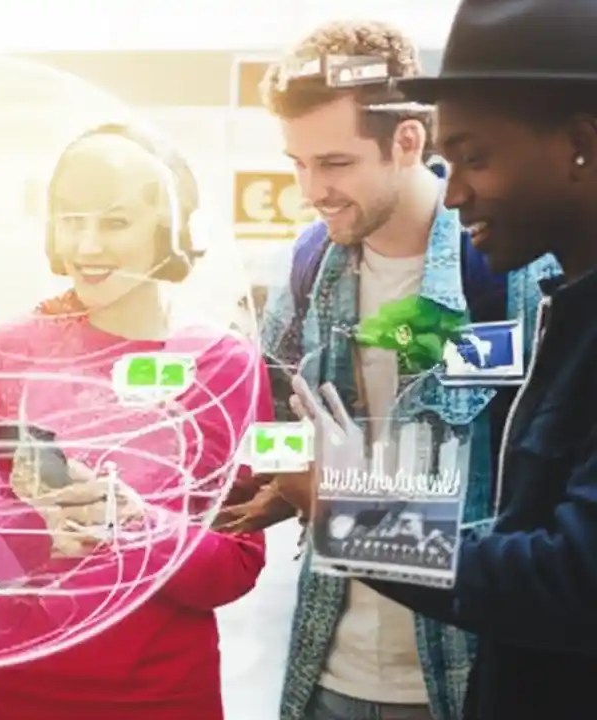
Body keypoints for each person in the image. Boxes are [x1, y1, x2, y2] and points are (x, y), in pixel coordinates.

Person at [212, 21, 561, 720]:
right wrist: (279, 488)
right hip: (330, 665)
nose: (312, 189)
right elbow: (280, 406)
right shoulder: (310, 266)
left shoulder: (512, 277)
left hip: (463, 671)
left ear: (408, 142)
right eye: (298, 163)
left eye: (335, 163)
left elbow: (547, 518)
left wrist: (333, 504)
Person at [0, 123, 271, 720]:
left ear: (167, 232)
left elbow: (237, 565)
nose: (88, 245)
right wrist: (36, 532)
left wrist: (135, 521)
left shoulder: (223, 366)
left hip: (166, 697)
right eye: (72, 219)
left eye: (116, 222)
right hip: (21, 691)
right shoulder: (12, 351)